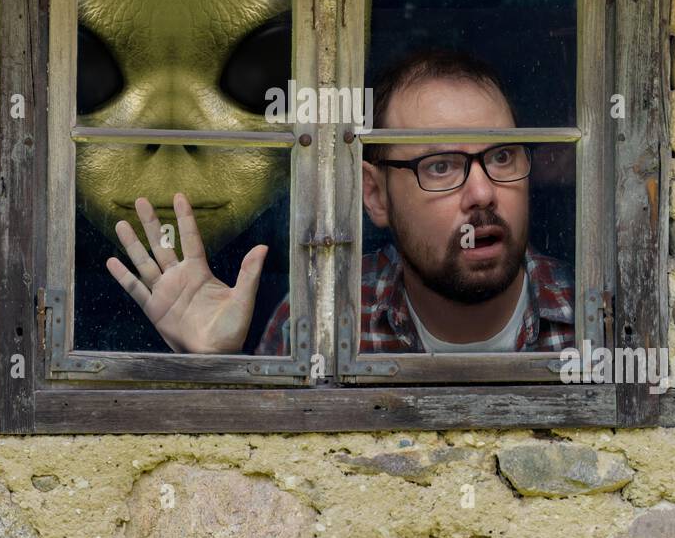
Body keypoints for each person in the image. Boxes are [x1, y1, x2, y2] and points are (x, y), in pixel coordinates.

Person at [105, 49, 575, 355]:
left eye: (503, 156)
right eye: (440, 166)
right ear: (375, 195)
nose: (483, 193)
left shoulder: (592, 324)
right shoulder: (316, 327)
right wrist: (212, 368)